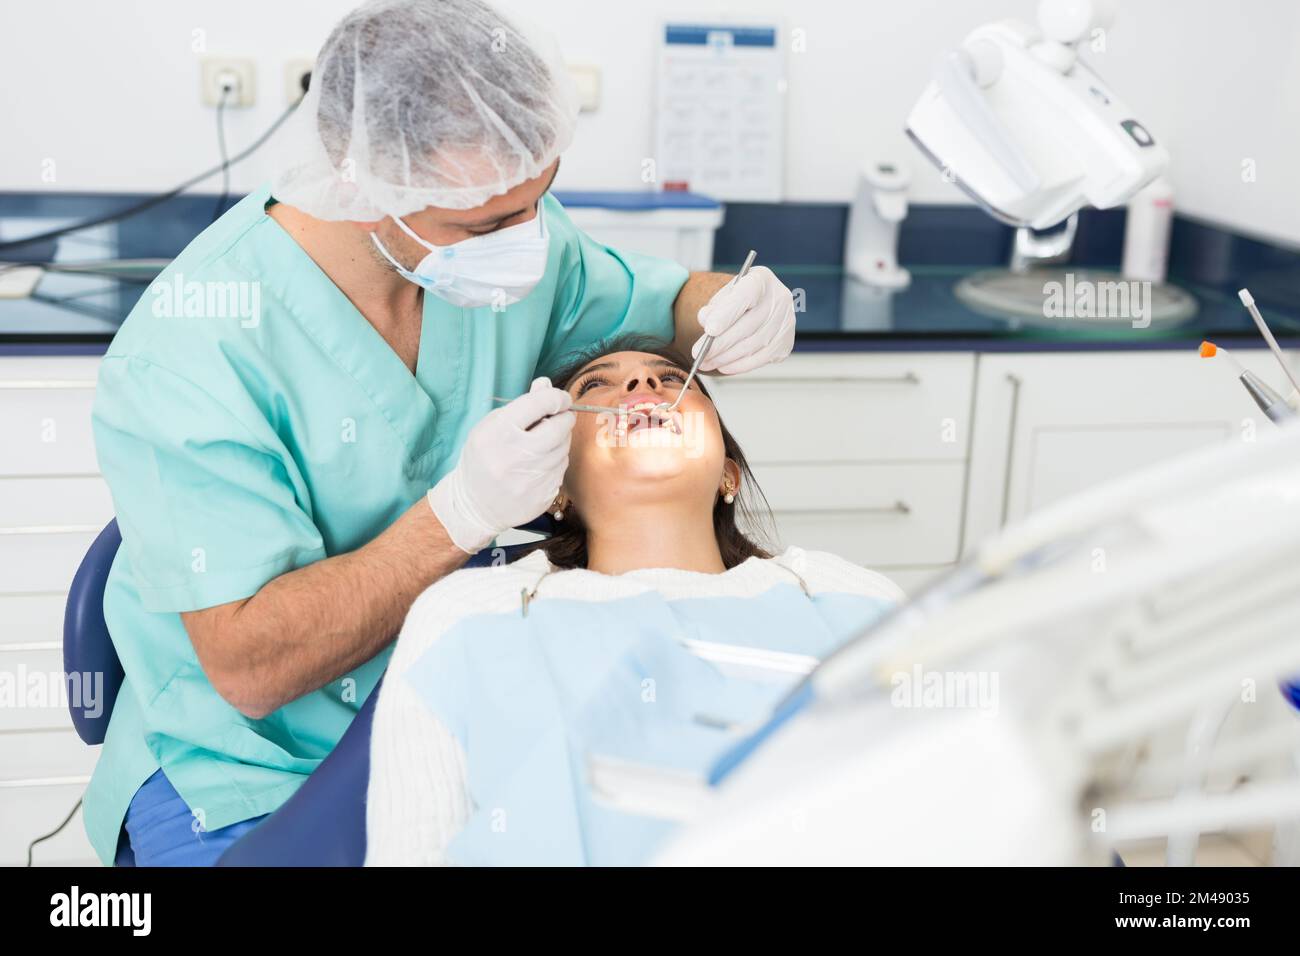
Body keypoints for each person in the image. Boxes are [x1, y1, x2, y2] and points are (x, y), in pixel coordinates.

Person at [87, 0, 798, 866]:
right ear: (361, 185)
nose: (528, 244)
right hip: (251, 775)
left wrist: (724, 305)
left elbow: (662, 306)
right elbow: (249, 668)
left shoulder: (509, 236)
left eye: (539, 200)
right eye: (486, 226)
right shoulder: (193, 350)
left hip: (460, 714)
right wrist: (459, 515)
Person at [365, 337, 903, 865]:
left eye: (672, 379)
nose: (642, 385)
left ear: (728, 475)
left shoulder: (850, 597)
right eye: (597, 385)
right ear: (556, 486)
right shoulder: (471, 614)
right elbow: (414, 848)